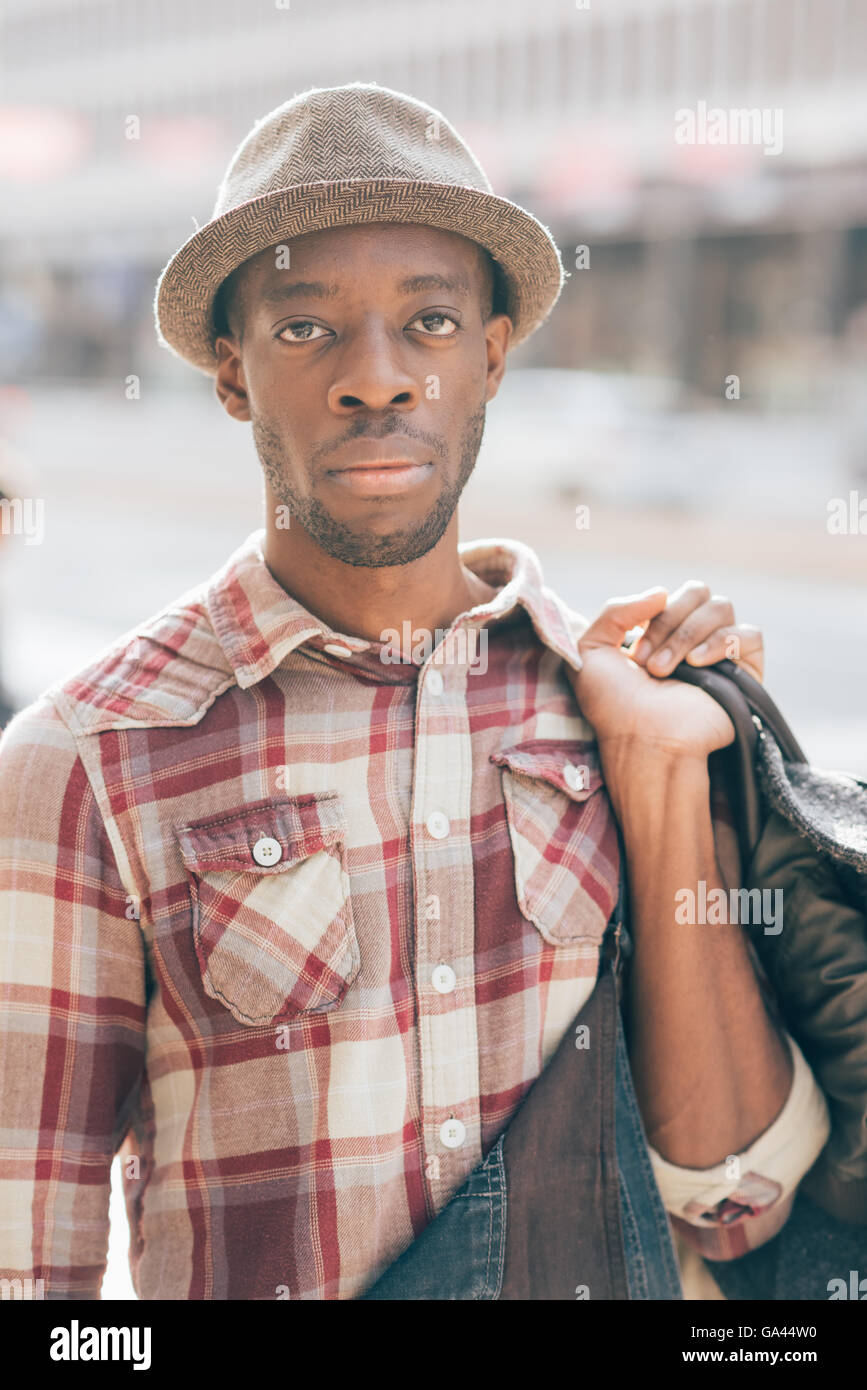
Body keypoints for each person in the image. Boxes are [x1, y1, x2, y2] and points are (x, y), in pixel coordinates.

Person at [0, 82, 829, 1301]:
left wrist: (660, 775)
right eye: (304, 329)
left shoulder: (609, 711)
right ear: (230, 375)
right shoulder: (84, 759)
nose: (375, 379)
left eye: (431, 323)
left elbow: (732, 1206)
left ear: (491, 356)